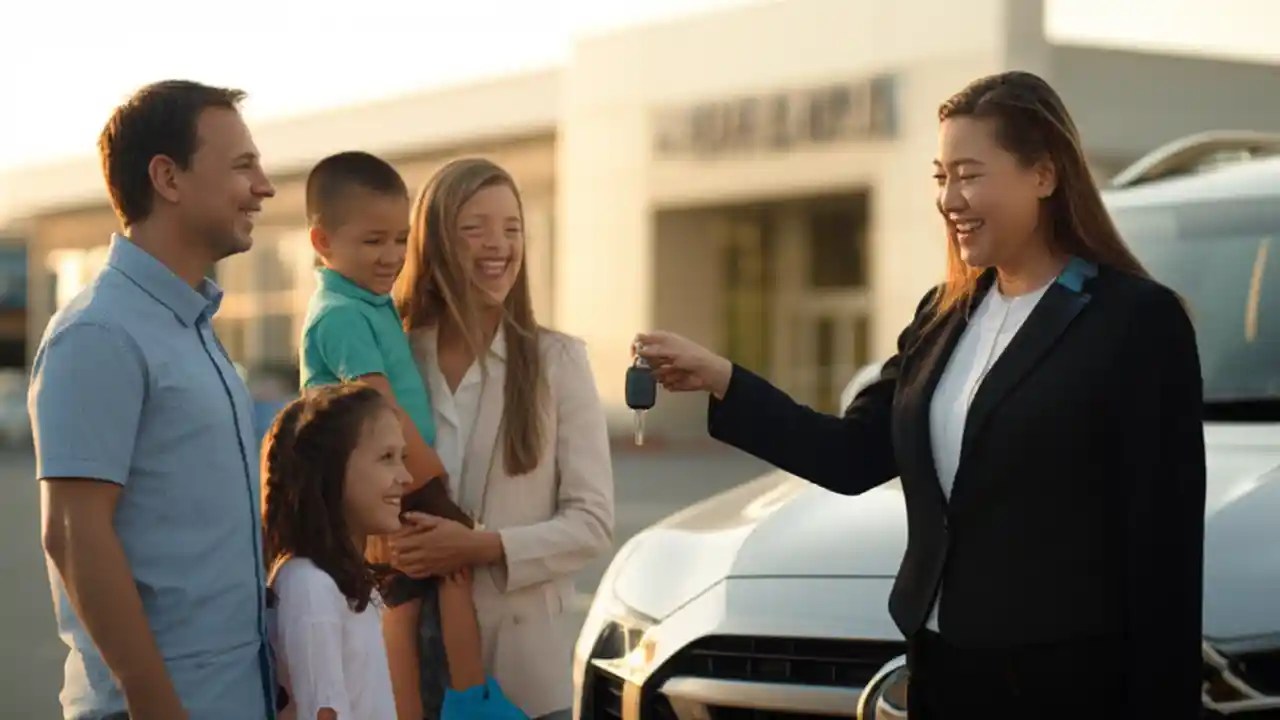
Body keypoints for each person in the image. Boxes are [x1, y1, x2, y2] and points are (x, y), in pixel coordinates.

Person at [636, 71, 1206, 719]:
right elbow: (851, 456)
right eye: (941, 177)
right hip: (941, 670)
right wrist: (724, 379)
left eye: (969, 173)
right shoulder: (943, 314)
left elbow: (1164, 552)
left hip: (1069, 685)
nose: (950, 198)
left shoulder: (1135, 321)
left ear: (1044, 175)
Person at [28, 80, 278, 719]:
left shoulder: (194, 331)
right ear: (167, 176)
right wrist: (157, 707)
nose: (265, 186)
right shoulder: (99, 334)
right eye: (243, 165)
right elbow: (73, 534)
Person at [389, 157, 615, 720]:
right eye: (475, 227)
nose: (499, 244)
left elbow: (591, 522)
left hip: (522, 677)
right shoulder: (393, 359)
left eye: (512, 227)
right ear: (437, 239)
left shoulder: (557, 361)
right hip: (400, 662)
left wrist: (481, 546)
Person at [297, 151, 486, 718]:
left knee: (403, 589)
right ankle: (472, 702)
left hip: (390, 469)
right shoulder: (340, 314)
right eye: (374, 241)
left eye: (401, 240)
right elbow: (380, 406)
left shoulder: (368, 302)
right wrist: (428, 471)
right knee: (443, 567)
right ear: (322, 241)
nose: (393, 256)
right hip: (386, 470)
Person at [262, 382, 486, 720]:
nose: (406, 477)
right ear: (331, 469)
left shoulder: (345, 581)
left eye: (402, 457)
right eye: (386, 458)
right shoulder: (310, 585)